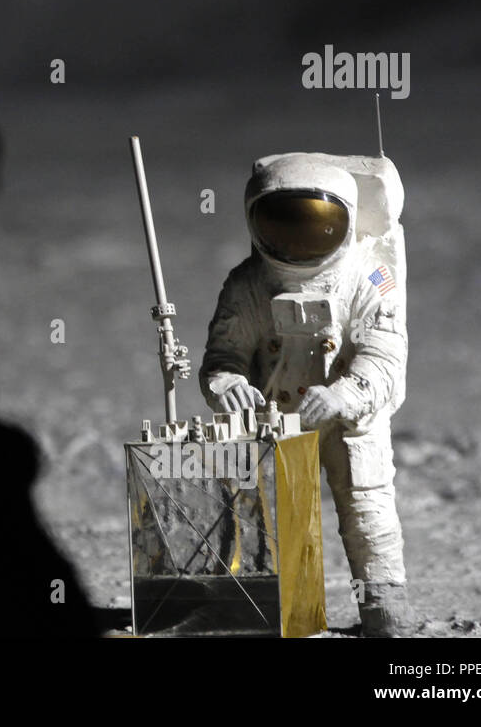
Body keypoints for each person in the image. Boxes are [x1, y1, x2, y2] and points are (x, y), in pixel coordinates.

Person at [198, 152, 412, 636]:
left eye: (316, 224)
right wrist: (228, 384)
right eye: (283, 224)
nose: (298, 239)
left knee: (366, 509)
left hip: (350, 416)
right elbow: (223, 354)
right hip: (275, 419)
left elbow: (384, 359)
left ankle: (384, 613)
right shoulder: (249, 284)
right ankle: (282, 613)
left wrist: (343, 395)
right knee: (266, 518)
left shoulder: (369, 277)